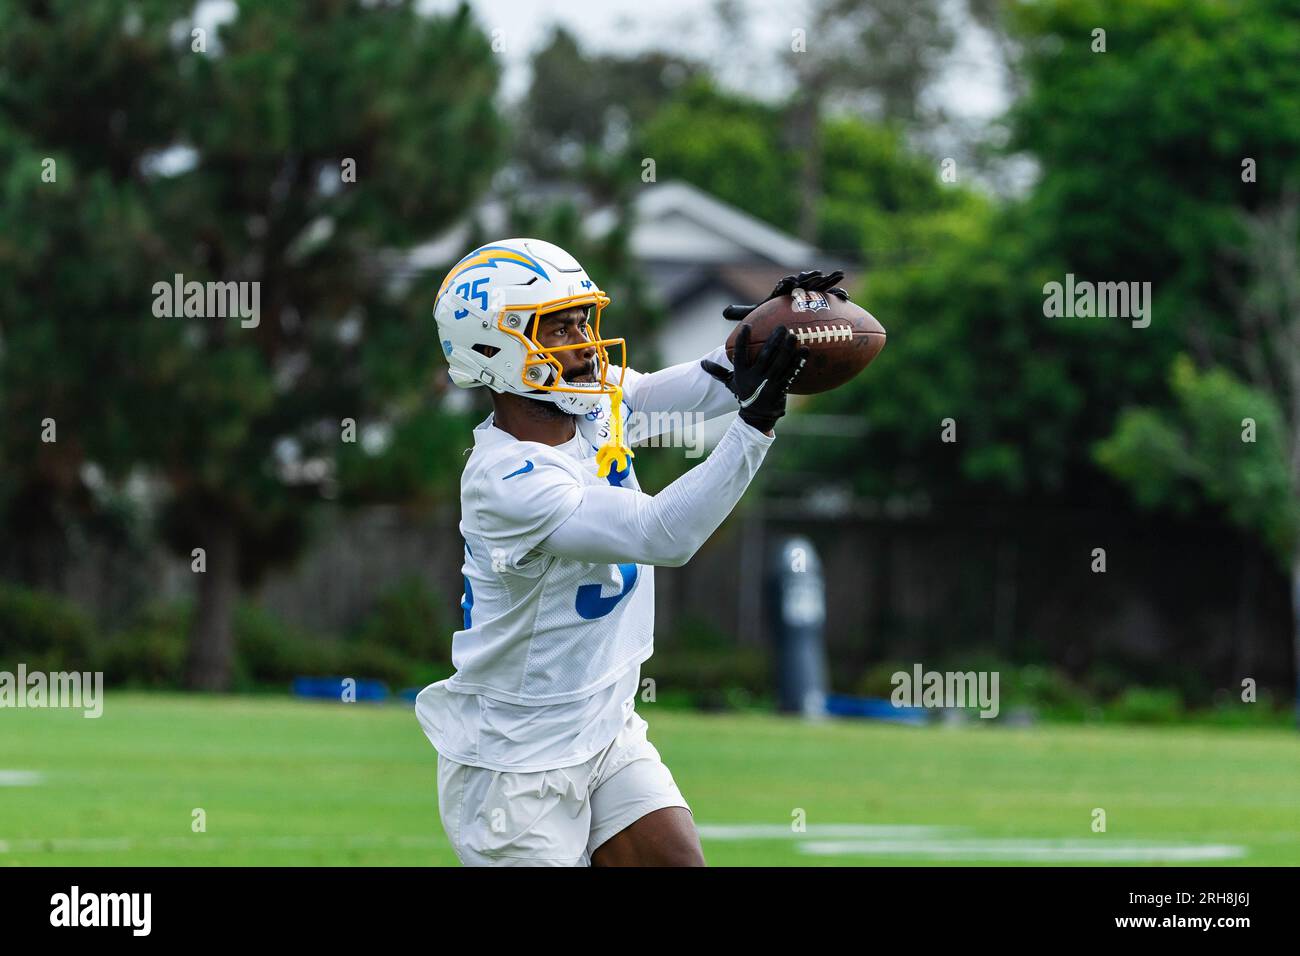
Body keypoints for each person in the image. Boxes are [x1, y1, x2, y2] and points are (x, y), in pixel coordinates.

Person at [417, 237, 843, 866]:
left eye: (583, 321)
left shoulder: (589, 409)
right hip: (514, 761)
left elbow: (706, 387)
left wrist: (775, 324)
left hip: (605, 724)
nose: (587, 344)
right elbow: (661, 535)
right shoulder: (506, 478)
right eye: (558, 328)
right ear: (494, 347)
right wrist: (755, 427)